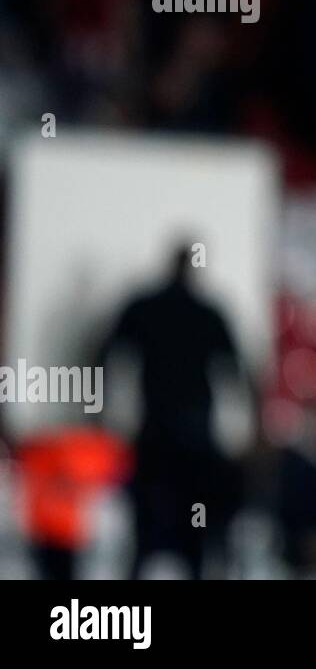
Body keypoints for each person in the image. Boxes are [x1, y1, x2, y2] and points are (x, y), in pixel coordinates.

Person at [98, 243, 248, 579]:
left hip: (155, 430)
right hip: (194, 434)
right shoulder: (208, 312)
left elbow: (107, 353)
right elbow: (238, 372)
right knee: (195, 525)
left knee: (144, 523)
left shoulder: (145, 306)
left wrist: (100, 411)